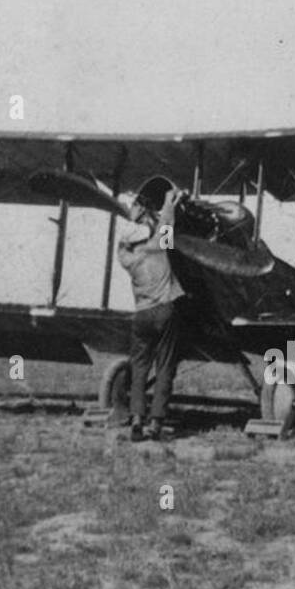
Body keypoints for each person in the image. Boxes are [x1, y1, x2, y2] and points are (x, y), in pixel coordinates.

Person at [117, 176, 186, 441]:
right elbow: (166, 223)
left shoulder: (126, 258)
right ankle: (156, 423)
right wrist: (170, 201)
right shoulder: (158, 246)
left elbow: (124, 243)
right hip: (165, 310)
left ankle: (136, 419)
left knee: (139, 368)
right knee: (165, 365)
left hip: (142, 315)